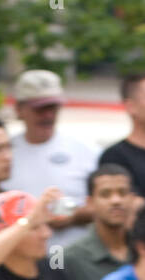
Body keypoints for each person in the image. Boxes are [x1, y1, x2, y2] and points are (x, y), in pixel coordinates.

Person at [5, 70, 96, 246]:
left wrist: (73, 216)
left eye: (53, 107)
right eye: (40, 108)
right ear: (19, 109)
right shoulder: (5, 152)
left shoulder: (86, 150)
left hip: (73, 261)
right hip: (20, 261)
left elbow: (108, 206)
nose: (48, 115)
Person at [62, 165, 134, 280]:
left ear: (132, 198)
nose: (116, 201)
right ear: (90, 202)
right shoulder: (67, 258)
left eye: (122, 193)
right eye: (105, 194)